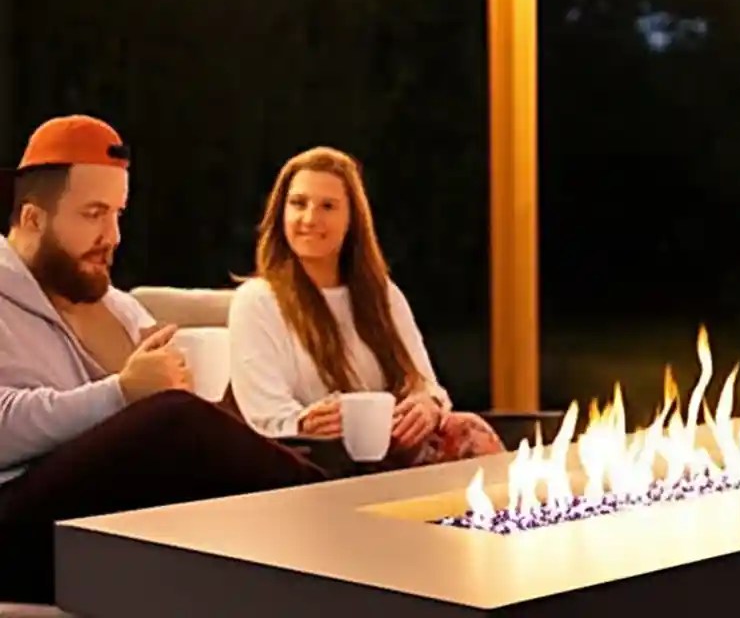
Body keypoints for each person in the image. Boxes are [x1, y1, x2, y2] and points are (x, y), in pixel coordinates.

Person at [0, 115, 325, 604]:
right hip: (14, 528)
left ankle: (331, 532)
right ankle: (333, 516)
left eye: (118, 214)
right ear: (32, 218)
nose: (113, 236)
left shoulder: (119, 307)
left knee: (279, 454)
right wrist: (124, 393)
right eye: (93, 214)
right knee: (171, 419)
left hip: (102, 526)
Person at [228, 146, 503, 468]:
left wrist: (425, 404)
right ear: (281, 213)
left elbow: (425, 383)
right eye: (298, 203)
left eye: (327, 206)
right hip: (312, 461)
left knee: (466, 427)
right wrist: (306, 423)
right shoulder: (257, 301)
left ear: (351, 221)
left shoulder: (382, 294)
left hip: (394, 449)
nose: (309, 218)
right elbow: (265, 415)